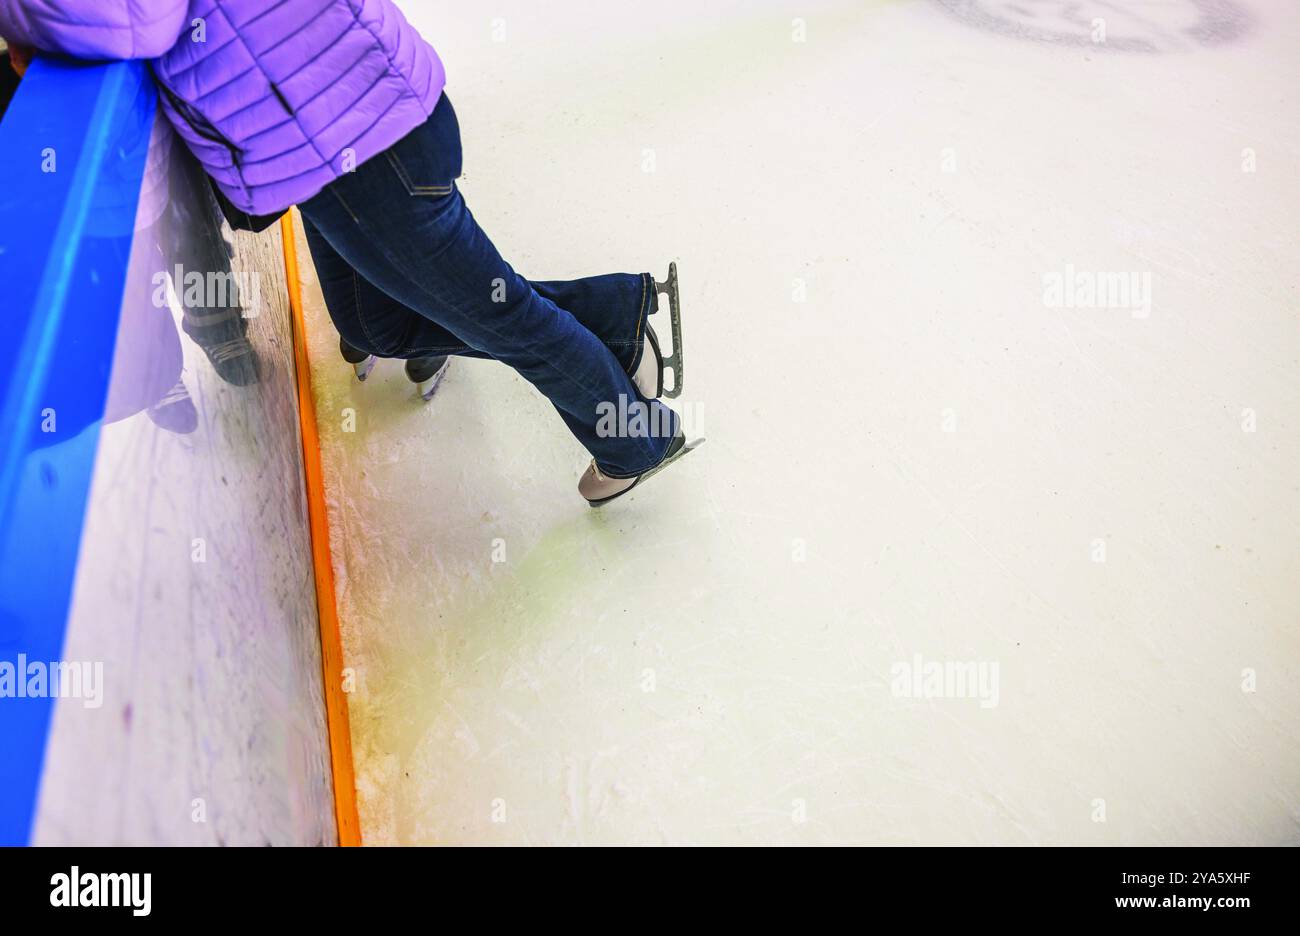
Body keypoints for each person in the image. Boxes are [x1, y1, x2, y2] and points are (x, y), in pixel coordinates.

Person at [0, 0, 699, 506]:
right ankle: (619, 311)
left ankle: (634, 439)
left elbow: (136, 16)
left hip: (359, 142)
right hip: (325, 145)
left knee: (503, 316)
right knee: (372, 325)